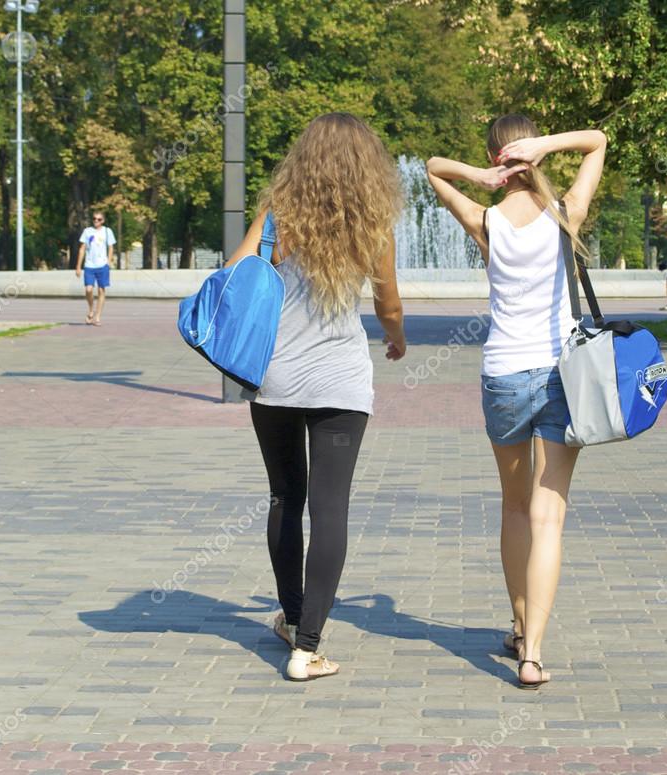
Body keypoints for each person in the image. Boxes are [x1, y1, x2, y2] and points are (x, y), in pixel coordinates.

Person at [224, 113, 406, 681]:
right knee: (332, 510)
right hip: (340, 385)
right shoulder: (372, 225)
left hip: (273, 379)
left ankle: (293, 616)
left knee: (285, 498)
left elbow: (234, 275)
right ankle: (308, 645)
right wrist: (395, 337)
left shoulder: (277, 218)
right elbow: (388, 303)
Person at [426, 115, 606, 688]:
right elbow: (598, 141)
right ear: (533, 156)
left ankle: (522, 627)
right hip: (561, 376)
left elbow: (431, 167)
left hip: (503, 375)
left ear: (495, 159)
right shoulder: (564, 215)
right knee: (547, 515)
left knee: (513, 507)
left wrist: (484, 175)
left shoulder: (484, 220)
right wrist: (546, 148)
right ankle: (532, 655)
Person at [75, 211, 116, 326]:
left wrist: (108, 262)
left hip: (102, 265)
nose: (96, 221)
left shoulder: (107, 231)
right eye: (94, 219)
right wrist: (78, 266)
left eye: (99, 219)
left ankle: (97, 316)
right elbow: (82, 249)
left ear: (103, 220)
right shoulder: (87, 232)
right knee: (88, 289)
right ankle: (91, 310)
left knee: (101, 290)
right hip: (89, 265)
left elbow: (111, 247)